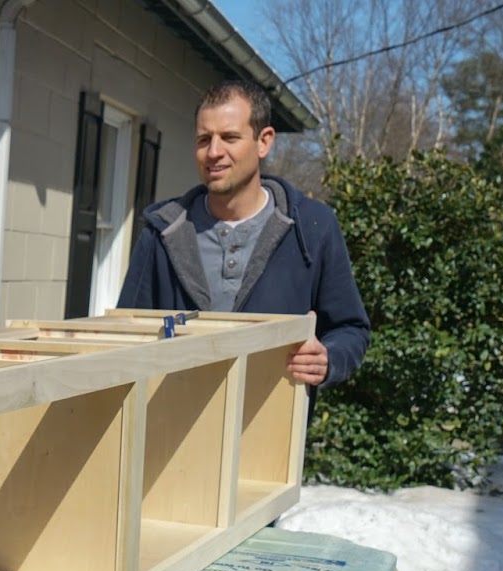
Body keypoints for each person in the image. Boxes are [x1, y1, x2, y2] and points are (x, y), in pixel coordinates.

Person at [117, 80, 369, 392]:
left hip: (273, 431)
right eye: (203, 139)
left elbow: (351, 329)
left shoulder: (313, 227)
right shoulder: (162, 231)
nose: (214, 152)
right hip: (172, 432)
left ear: (264, 141)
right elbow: (126, 336)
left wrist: (328, 358)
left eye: (230, 138)